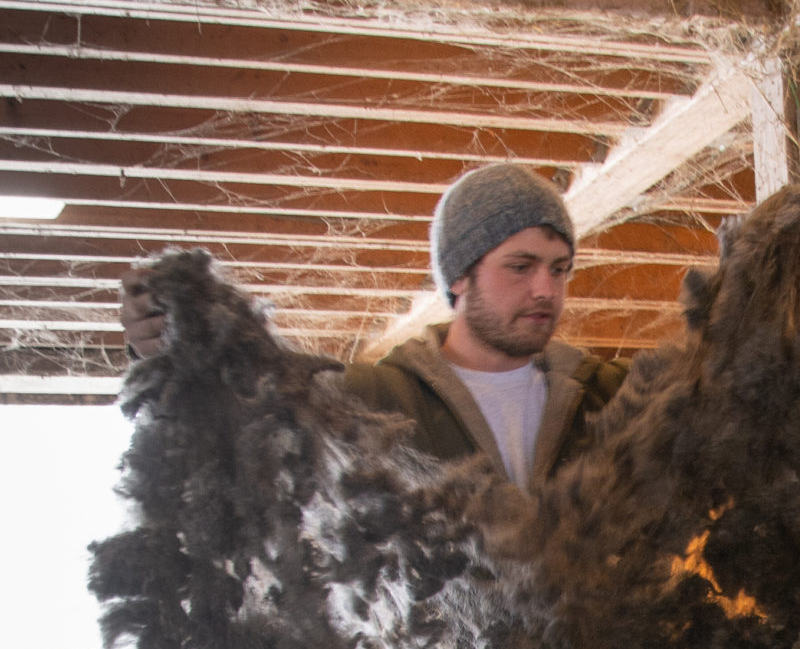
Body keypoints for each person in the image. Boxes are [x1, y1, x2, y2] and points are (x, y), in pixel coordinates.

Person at [120, 160, 625, 488]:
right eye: (521, 267)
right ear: (459, 280)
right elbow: (243, 419)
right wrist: (167, 357)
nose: (546, 289)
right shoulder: (371, 402)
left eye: (560, 269)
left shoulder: (617, 398)